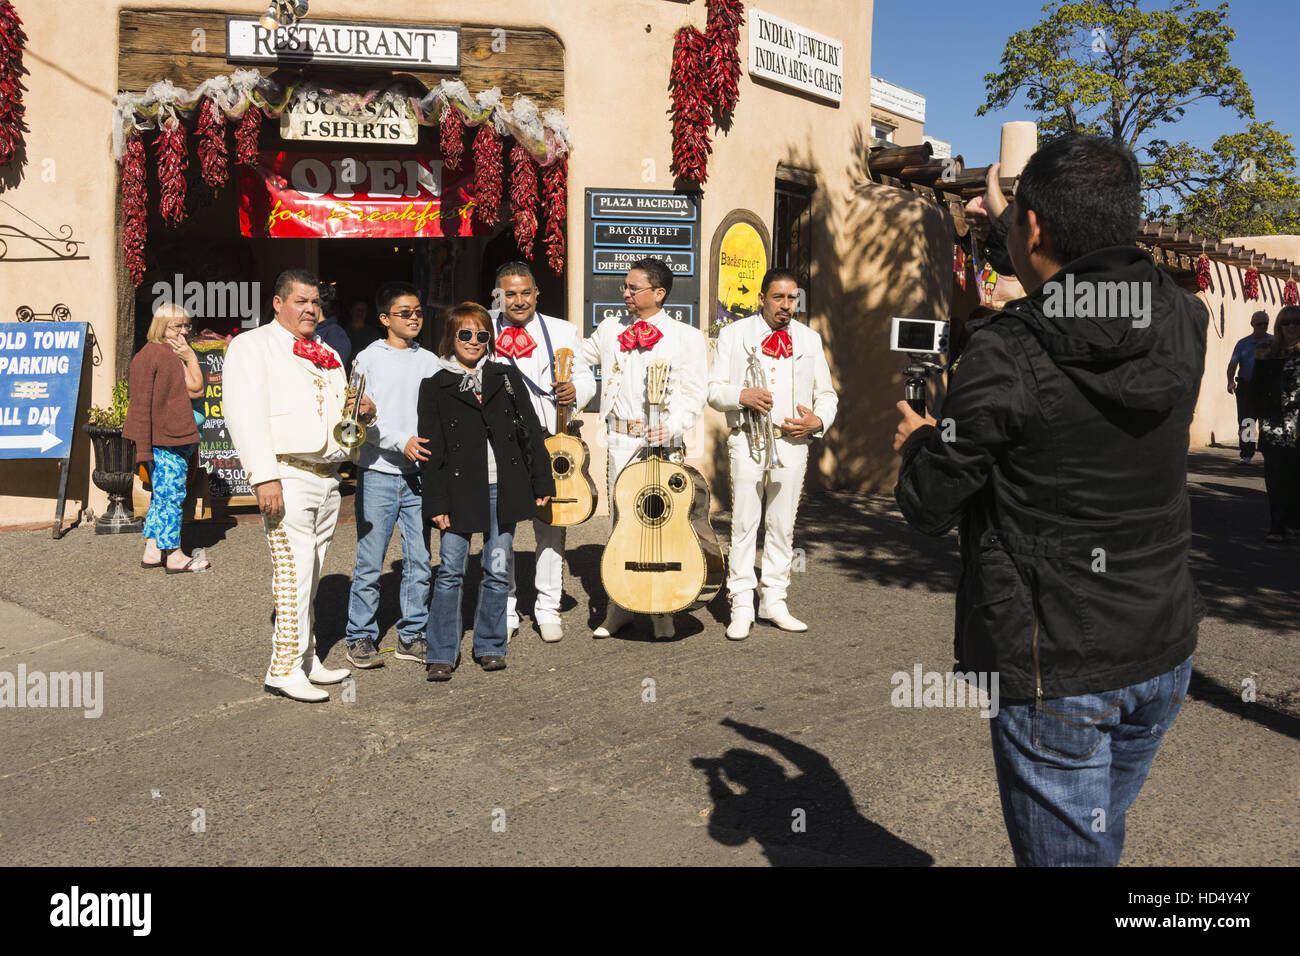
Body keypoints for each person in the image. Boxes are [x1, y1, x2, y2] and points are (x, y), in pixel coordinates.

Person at [894, 133, 1207, 866]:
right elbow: (1093, 294)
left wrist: (922, 439)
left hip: (1055, 666)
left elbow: (928, 503)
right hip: (1160, 646)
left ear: (1033, 229)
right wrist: (1020, 221)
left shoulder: (1006, 351)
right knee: (1095, 839)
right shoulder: (1181, 317)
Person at [224, 269, 376, 703]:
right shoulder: (253, 345)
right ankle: (283, 668)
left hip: (327, 476)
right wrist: (263, 475)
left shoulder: (326, 350)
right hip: (286, 474)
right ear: (277, 303)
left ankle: (306, 659)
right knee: (294, 572)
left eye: (316, 303)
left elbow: (334, 416)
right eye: (301, 301)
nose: (310, 309)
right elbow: (243, 413)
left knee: (311, 573)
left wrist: (361, 410)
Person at [418, 303, 554, 681]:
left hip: (504, 489)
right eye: (465, 334)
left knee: (496, 571)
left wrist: (542, 480)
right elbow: (432, 451)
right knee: (450, 573)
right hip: (459, 493)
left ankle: (491, 646)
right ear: (451, 338)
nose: (474, 342)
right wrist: (436, 502)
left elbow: (530, 430)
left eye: (481, 335)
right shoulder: (435, 385)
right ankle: (442, 653)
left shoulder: (505, 376)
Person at [580, 257, 709, 640]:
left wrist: (672, 426)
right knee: (621, 522)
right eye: (625, 287)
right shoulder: (609, 327)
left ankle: (663, 609)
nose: (625, 293)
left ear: (659, 293)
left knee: (663, 523)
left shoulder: (686, 337)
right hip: (619, 440)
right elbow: (577, 361)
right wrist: (577, 388)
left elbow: (695, 393)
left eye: (632, 288)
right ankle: (617, 606)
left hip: (664, 442)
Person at [707, 268, 837, 639]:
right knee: (745, 526)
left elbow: (827, 395)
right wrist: (741, 395)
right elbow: (713, 389)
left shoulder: (809, 339)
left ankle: (774, 601)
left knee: (782, 527)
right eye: (778, 298)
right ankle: (741, 604)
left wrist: (818, 422)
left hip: (792, 443)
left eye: (792, 298)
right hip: (747, 439)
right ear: (761, 299)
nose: (786, 305)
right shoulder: (734, 334)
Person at [489, 261, 596, 643]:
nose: (518, 301)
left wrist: (576, 392)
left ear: (537, 293)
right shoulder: (483, 328)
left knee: (551, 525)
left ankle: (548, 607)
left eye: (525, 293)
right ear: (497, 296)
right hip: (500, 443)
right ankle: (504, 607)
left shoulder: (563, 330)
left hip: (551, 439)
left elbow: (584, 377)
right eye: (509, 294)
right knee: (501, 529)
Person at [343, 282, 442, 669]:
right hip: (378, 472)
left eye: (418, 311)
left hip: (420, 475)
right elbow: (356, 419)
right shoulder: (367, 359)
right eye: (405, 312)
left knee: (420, 559)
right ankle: (360, 636)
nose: (414, 317)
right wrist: (402, 441)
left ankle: (412, 633)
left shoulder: (431, 361)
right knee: (370, 560)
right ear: (385, 319)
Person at [123, 302, 210, 573]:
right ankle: (173, 554)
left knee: (161, 496)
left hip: (157, 438)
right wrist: (191, 357)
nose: (183, 332)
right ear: (162, 327)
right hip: (169, 439)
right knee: (172, 495)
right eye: (177, 326)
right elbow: (196, 389)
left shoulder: (146, 354)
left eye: (187, 325)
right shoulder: (169, 356)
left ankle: (152, 549)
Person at [1253, 305, 1300, 542]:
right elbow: (1257, 387)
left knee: (1295, 477)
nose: (1292, 326)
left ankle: (1292, 520)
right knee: (1275, 477)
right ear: (1279, 326)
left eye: (1297, 322)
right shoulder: (1265, 351)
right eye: (1287, 322)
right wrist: (1251, 420)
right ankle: (1276, 526)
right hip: (1274, 423)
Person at [1227, 311, 1272, 464]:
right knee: (1247, 421)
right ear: (1252, 324)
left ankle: (1269, 453)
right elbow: (1233, 364)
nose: (1263, 327)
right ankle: (1246, 454)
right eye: (1260, 324)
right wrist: (1230, 381)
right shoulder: (1243, 344)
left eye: (1266, 323)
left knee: (1268, 421)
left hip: (1268, 387)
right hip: (1247, 386)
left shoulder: (1274, 342)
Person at [314, 282, 353, 368]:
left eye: (311, 302)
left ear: (318, 305)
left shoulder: (336, 335)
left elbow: (333, 372)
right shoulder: (304, 330)